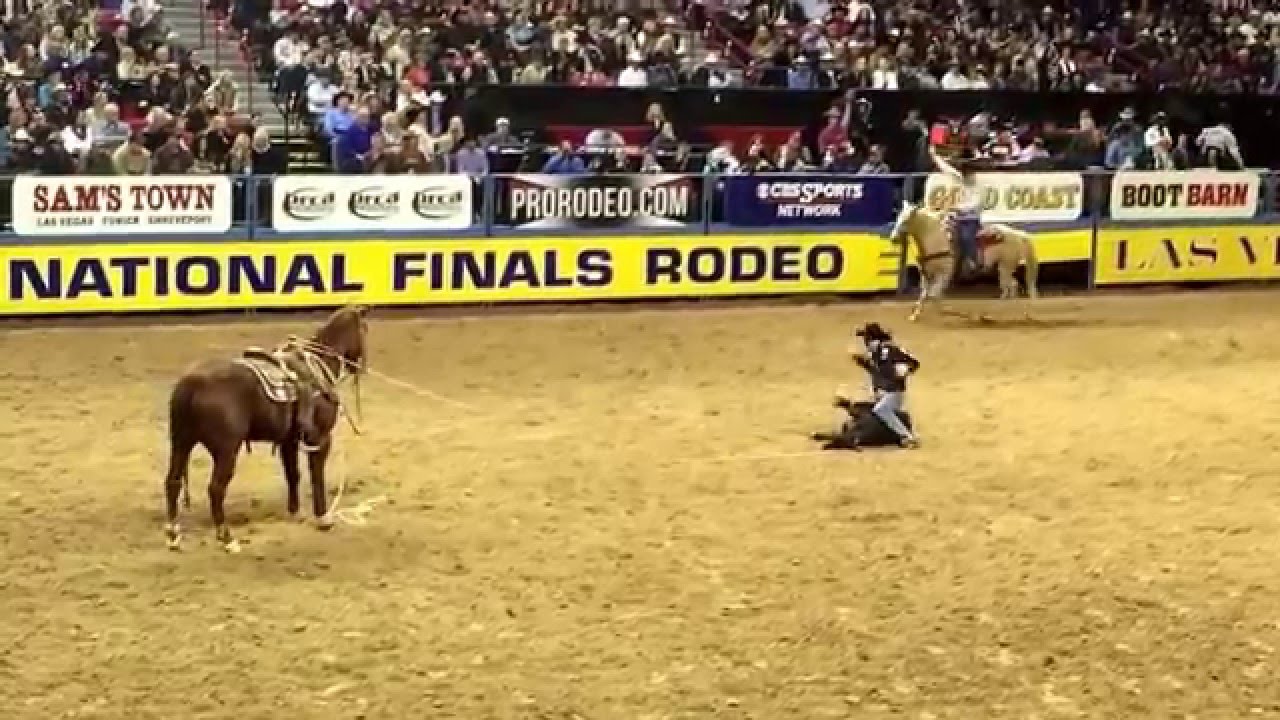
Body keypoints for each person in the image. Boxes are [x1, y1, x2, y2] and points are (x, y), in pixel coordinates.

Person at [852, 322, 919, 448]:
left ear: (873, 339)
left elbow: (914, 363)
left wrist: (906, 371)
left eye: (866, 339)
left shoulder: (889, 350)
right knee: (873, 410)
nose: (865, 343)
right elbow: (878, 374)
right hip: (885, 393)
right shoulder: (876, 354)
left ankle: (907, 437)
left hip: (895, 391)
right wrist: (865, 365)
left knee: (880, 410)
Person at [929, 146, 982, 276]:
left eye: (967, 167)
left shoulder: (978, 182)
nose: (965, 169)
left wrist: (958, 208)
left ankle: (972, 261)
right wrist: (934, 156)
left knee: (966, 237)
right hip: (957, 216)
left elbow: (976, 204)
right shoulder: (958, 176)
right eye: (963, 166)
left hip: (971, 217)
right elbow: (945, 168)